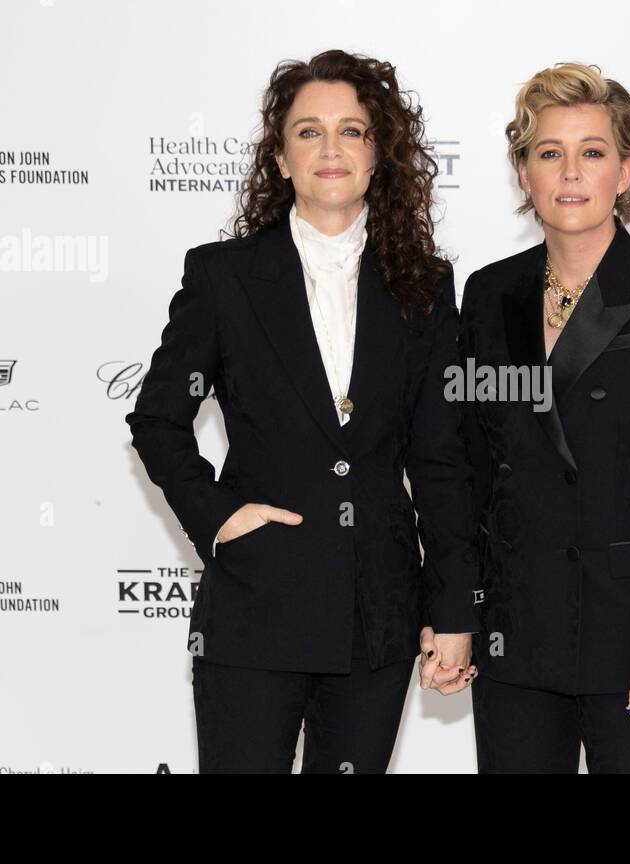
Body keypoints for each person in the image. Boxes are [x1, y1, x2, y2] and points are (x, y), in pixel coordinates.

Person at [125, 49, 479, 773]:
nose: (331, 148)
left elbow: (439, 461)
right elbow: (157, 419)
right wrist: (220, 517)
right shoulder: (224, 278)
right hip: (258, 604)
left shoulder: (424, 284)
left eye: (352, 130)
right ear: (280, 158)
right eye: (309, 131)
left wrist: (452, 611)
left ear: (379, 154)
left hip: (376, 614)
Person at [457, 62, 630, 772]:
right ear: (524, 174)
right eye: (549, 152)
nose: (570, 172)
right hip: (516, 643)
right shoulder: (489, 297)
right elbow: (469, 472)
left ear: (627, 171)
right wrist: (458, 612)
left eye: (593, 152)